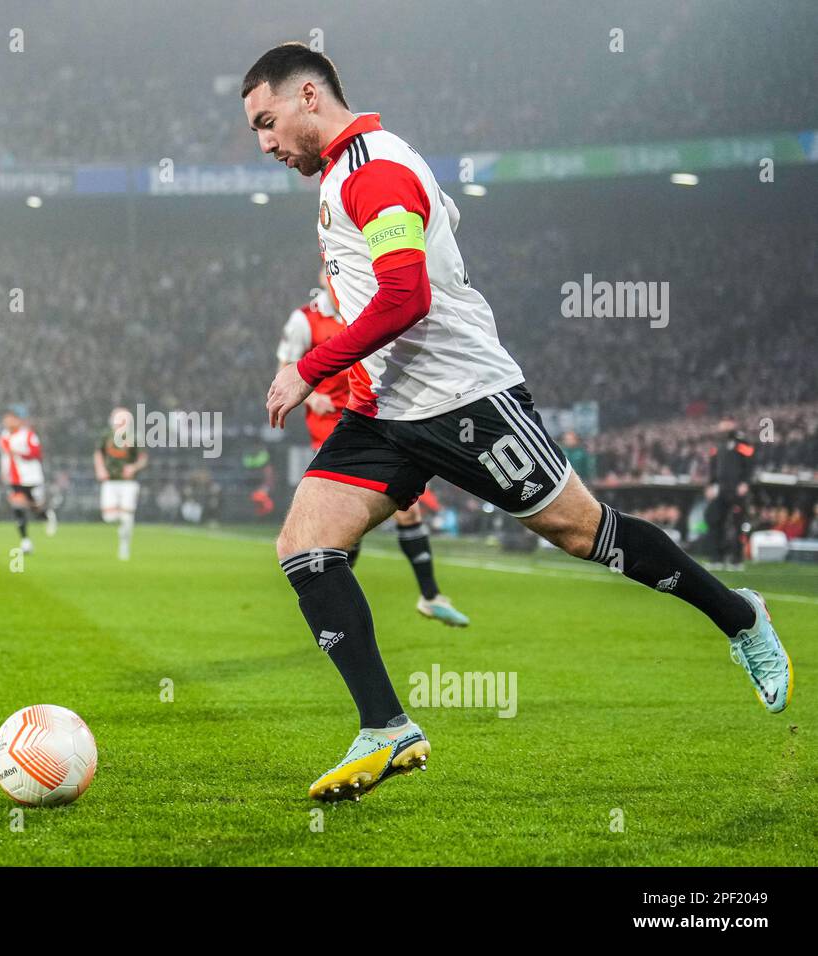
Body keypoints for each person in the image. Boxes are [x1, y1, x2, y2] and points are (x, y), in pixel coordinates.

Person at [241, 43, 792, 802]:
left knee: (585, 534)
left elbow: (406, 298)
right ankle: (386, 727)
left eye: (266, 122)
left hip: (466, 399)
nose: (265, 143)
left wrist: (309, 368)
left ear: (308, 95)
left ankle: (739, 616)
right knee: (304, 545)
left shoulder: (376, 169)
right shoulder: (346, 170)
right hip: (385, 407)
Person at [279, 269, 470, 626]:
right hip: (331, 428)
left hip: (372, 418)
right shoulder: (305, 320)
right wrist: (314, 396)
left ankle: (429, 596)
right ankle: (334, 602)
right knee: (347, 519)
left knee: (404, 511)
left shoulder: (363, 309)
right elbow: (286, 366)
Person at [0, 404, 56, 554]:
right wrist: (4, 472)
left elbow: (37, 454)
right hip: (15, 479)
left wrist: (19, 453)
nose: (7, 421)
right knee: (18, 508)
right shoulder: (4, 436)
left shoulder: (28, 435)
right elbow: (5, 457)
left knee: (35, 507)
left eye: (11, 418)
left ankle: (46, 515)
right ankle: (25, 541)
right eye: (6, 418)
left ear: (18, 420)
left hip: (31, 478)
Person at [95, 406, 148, 560]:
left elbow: (143, 459)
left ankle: (124, 546)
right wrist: (100, 469)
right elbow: (98, 453)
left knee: (127, 516)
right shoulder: (106, 435)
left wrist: (133, 467)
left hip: (128, 483)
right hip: (110, 481)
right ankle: (123, 525)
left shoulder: (135, 437)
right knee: (109, 517)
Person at [706, 419, 754, 570]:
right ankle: (717, 558)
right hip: (720, 489)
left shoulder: (742, 444)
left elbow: (750, 464)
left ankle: (736, 560)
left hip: (736, 489)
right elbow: (713, 467)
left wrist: (745, 482)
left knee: (737, 524)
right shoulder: (717, 445)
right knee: (715, 522)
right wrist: (711, 484)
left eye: (727, 424)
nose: (724, 427)